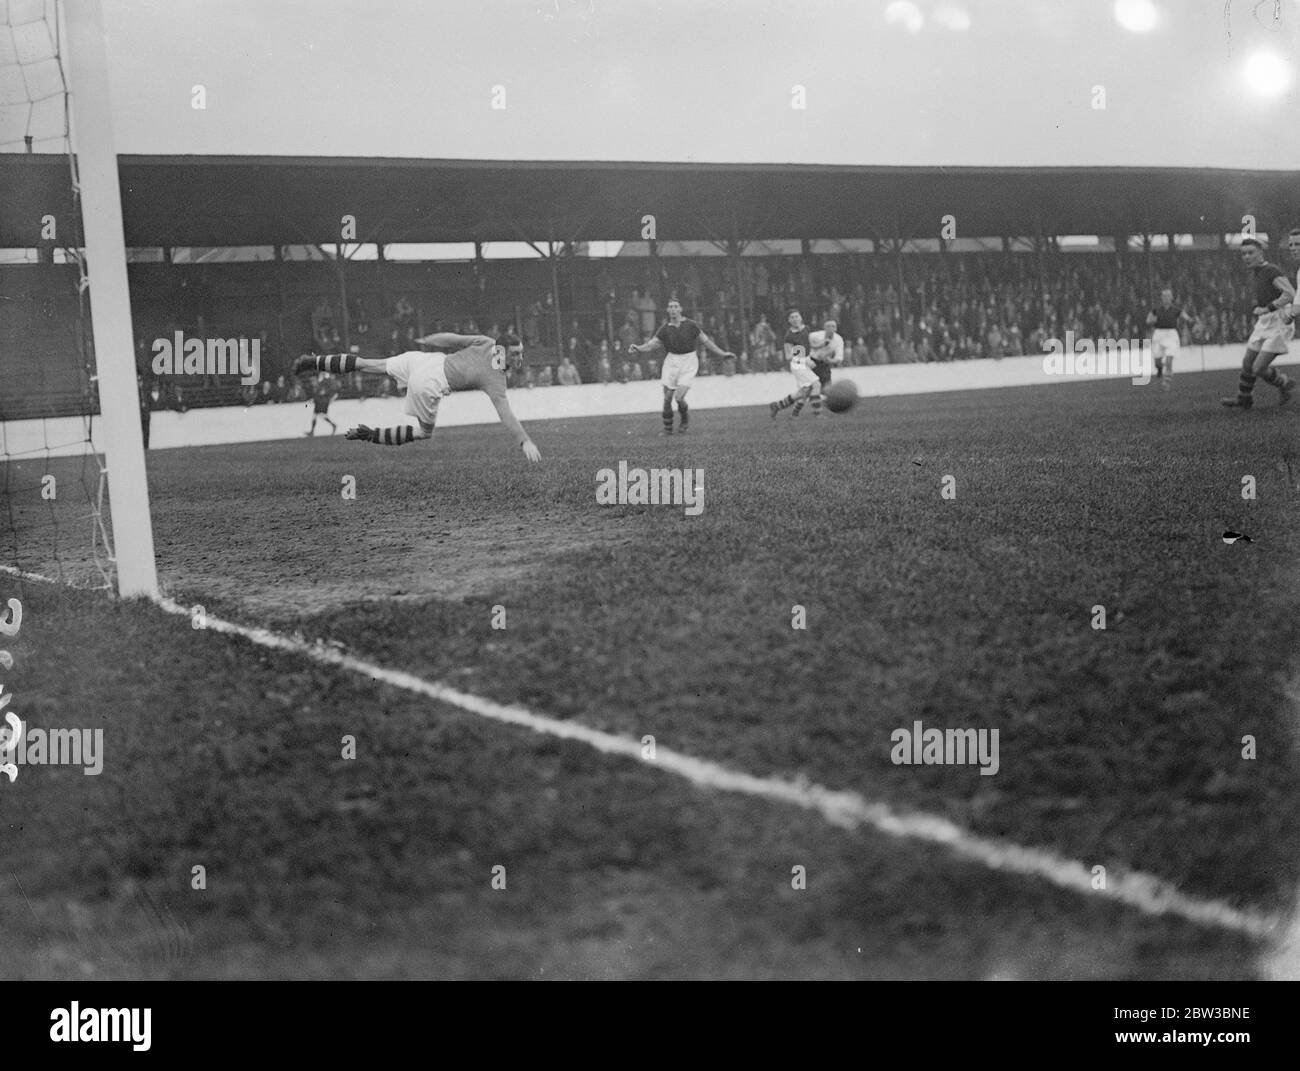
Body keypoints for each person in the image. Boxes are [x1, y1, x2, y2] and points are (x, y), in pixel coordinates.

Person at [294, 333, 540, 461]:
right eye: (516, 354)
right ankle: (370, 434)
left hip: (424, 360)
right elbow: (505, 413)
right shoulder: (496, 379)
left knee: (367, 364)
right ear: (502, 351)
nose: (520, 359)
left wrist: (427, 340)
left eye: (521, 354)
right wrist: (524, 440)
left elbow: (451, 339)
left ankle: (311, 361)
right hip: (430, 384)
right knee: (424, 433)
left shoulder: (487, 342)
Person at [629, 298, 735, 435]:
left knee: (678, 397)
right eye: (670, 307)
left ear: (680, 309)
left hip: (688, 361)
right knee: (667, 398)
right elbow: (652, 344)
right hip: (672, 362)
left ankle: (684, 419)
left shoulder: (691, 325)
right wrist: (638, 348)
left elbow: (706, 341)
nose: (673, 309)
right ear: (668, 310)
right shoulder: (665, 329)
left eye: (675, 306)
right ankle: (668, 429)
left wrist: (723, 354)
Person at [1221, 238, 1296, 409]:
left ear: (1261, 253)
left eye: (1250, 252)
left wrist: (1268, 308)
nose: (1246, 257)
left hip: (1279, 321)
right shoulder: (1257, 272)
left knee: (1257, 368)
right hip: (1265, 320)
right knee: (1247, 362)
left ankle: (1284, 383)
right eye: (1243, 254)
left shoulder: (1271, 270)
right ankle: (1244, 398)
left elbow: (1290, 293)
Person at [769, 309, 823, 418]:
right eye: (792, 317)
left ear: (801, 318)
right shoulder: (789, 336)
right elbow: (789, 356)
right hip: (798, 364)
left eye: (796, 316)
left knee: (803, 393)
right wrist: (805, 360)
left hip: (806, 361)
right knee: (816, 384)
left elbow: (810, 345)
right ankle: (818, 414)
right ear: (789, 320)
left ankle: (778, 406)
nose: (795, 319)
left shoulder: (807, 329)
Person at [1145, 287, 1189, 388]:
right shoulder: (1156, 310)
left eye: (1168, 296)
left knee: (1169, 360)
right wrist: (1152, 320)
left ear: (1171, 297)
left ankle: (1166, 382)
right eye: (1164, 296)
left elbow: (1185, 316)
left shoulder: (1176, 310)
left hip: (1171, 334)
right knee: (1157, 361)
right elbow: (1148, 320)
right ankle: (1159, 369)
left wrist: (1190, 320)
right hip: (1159, 334)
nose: (1166, 298)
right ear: (1161, 297)